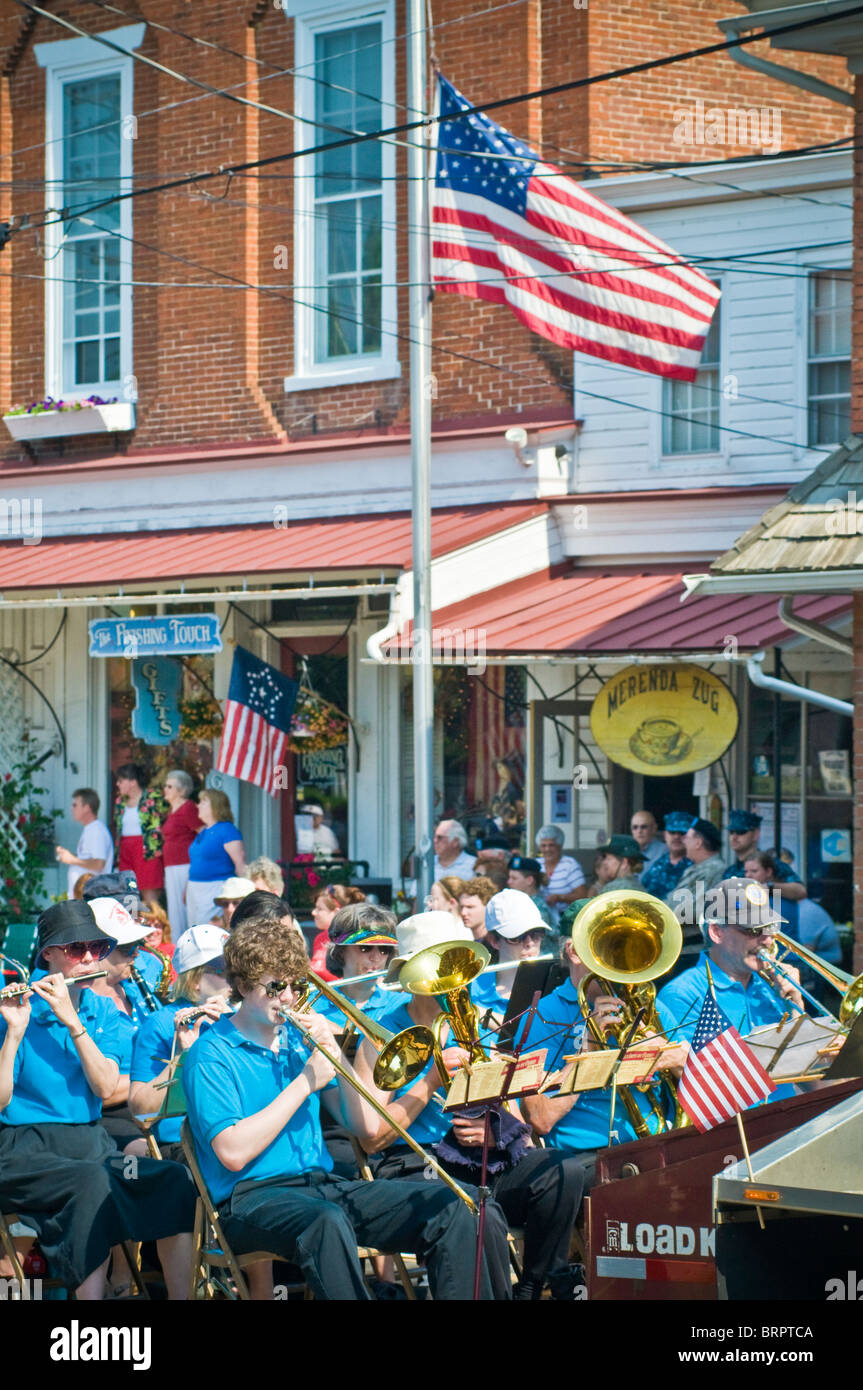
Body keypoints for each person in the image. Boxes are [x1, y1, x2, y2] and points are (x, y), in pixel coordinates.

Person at [183, 915, 510, 1300]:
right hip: (249, 1199)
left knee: (458, 1204)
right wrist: (306, 1081)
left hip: (320, 1187)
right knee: (326, 1222)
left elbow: (359, 1122)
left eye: (295, 985)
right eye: (275, 987)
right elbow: (232, 1152)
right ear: (241, 984)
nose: (287, 997)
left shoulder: (296, 1040)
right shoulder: (211, 1053)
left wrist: (335, 1055)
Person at [352, 911, 585, 1301]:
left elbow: (511, 1113)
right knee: (478, 1210)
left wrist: (495, 1129)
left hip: (476, 1156)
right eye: (440, 963)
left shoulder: (476, 1024)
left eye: (457, 961)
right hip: (415, 1163)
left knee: (564, 1172)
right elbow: (373, 1138)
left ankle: (530, 1289)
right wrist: (430, 1082)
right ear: (411, 972)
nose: (451, 976)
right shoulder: (380, 1035)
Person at [0, 900, 196, 1298]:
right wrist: (15, 1033)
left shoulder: (101, 1010)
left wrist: (73, 1022)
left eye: (99, 948)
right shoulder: (16, 1008)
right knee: (93, 1180)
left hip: (90, 1144)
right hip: (24, 1150)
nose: (90, 958)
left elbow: (105, 1088)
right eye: (77, 950)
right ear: (49, 954)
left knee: (174, 1180)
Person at [518, 906, 686, 1163]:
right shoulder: (542, 1015)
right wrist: (589, 1051)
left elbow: (705, 1078)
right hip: (584, 1158)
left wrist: (671, 1056)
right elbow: (541, 1118)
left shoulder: (645, 1004)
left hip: (659, 1144)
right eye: (606, 947)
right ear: (574, 952)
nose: (618, 958)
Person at [657, 878, 802, 1105]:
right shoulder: (682, 993)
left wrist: (796, 1002)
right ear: (716, 932)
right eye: (753, 929)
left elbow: (805, 1072)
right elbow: (697, 1085)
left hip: (786, 1122)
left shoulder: (772, 988)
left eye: (770, 927)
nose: (767, 939)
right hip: (735, 1131)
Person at [129, 924, 231, 1160]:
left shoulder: (241, 1017)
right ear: (195, 979)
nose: (236, 978)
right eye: (224, 969)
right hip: (185, 1144)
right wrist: (182, 1056)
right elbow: (141, 1113)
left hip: (236, 1136)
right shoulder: (161, 1023)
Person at [743, 853, 841, 1002]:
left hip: (790, 964)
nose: (749, 876)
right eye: (746, 872)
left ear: (769, 872)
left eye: (754, 871)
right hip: (788, 963)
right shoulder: (781, 896)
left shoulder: (772, 898)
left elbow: (808, 946)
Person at [471, 891, 553, 1017]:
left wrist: (479, 1015)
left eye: (536, 934)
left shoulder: (554, 988)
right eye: (516, 937)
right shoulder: (473, 991)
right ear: (494, 941)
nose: (529, 943)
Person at [666, 818, 727, 969]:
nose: (683, 841)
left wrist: (659, 912)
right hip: (681, 949)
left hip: (692, 951)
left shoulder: (714, 870)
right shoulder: (697, 869)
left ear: (698, 842)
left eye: (687, 836)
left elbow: (694, 910)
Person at [186, 789, 246, 928]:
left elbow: (240, 862)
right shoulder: (204, 832)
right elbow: (196, 862)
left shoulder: (227, 830)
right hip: (194, 889)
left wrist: (245, 894)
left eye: (203, 802)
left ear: (216, 805)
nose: (198, 805)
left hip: (215, 888)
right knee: (194, 928)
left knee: (207, 929)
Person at [114, 763, 167, 907]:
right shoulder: (120, 802)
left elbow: (168, 814)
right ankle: (133, 924)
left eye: (120, 781)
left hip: (147, 849)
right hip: (126, 849)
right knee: (128, 891)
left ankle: (154, 926)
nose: (117, 784)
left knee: (149, 892)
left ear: (132, 782)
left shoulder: (152, 797)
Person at [723, 809, 807, 901]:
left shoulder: (773, 864)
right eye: (731, 832)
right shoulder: (730, 872)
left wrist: (769, 887)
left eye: (741, 832)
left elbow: (800, 891)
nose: (734, 837)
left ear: (756, 834)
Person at [161, 769, 202, 938]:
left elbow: (202, 834)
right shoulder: (173, 810)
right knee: (175, 910)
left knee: (184, 909)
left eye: (170, 786)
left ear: (182, 791)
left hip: (185, 864)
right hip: (172, 865)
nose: (165, 789)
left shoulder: (188, 808)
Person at [55, 788, 113, 898]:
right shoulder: (90, 829)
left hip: (91, 897)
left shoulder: (96, 830)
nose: (71, 808)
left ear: (86, 808)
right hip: (84, 897)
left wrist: (71, 859)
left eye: (75, 805)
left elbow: (99, 864)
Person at [535, 825, 585, 927]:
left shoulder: (569, 864)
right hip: (540, 917)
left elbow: (583, 895)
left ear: (560, 846)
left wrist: (560, 897)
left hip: (565, 918)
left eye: (551, 845)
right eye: (543, 846)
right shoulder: (537, 864)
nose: (547, 849)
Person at [641, 811, 692, 900]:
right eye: (672, 832)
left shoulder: (695, 866)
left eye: (682, 833)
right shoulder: (658, 864)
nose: (676, 837)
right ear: (665, 835)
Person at [507, 855, 555, 929]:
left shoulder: (537, 910)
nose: (509, 882)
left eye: (514, 878)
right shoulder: (518, 903)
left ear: (529, 880)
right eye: (509, 877)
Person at [458, 876, 498, 945]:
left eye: (470, 907)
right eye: (461, 907)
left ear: (488, 907)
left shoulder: (497, 945)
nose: (463, 912)